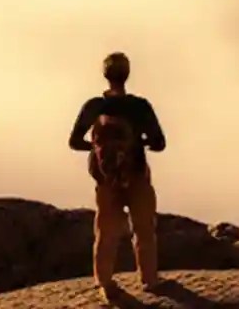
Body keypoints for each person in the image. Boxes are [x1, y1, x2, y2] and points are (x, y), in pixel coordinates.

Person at [68, 52, 166, 302]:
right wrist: (139, 142)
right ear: (127, 74)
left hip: (106, 180)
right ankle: (149, 279)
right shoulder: (140, 106)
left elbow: (74, 141)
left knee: (106, 233)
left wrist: (97, 149)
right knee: (143, 230)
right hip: (136, 175)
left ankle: (105, 282)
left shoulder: (94, 107)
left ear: (105, 75)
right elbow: (159, 143)